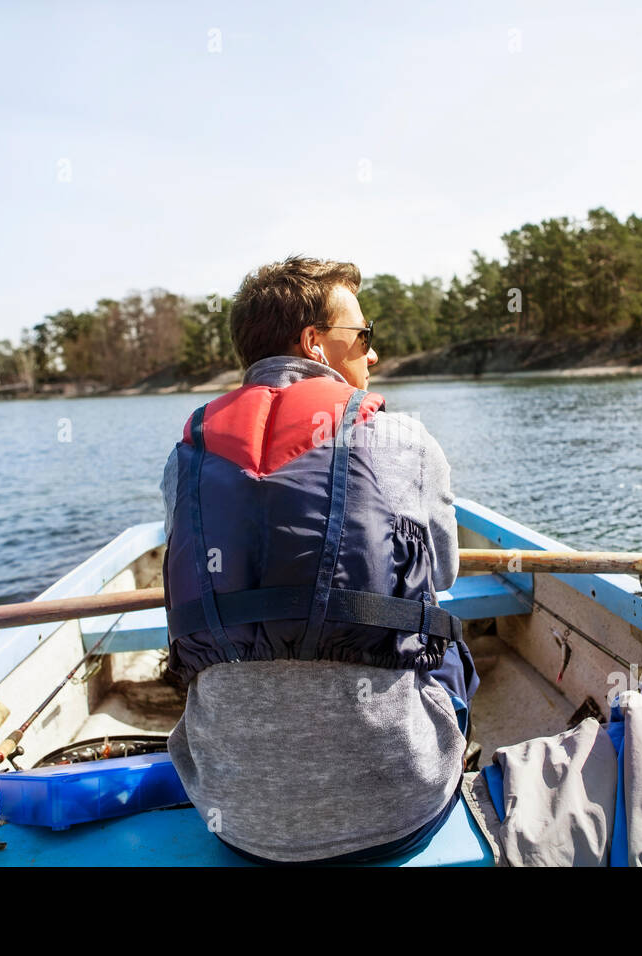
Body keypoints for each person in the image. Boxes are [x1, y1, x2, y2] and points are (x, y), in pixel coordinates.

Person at [159, 255, 478, 864]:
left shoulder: (187, 453)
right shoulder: (405, 440)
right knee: (446, 643)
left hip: (236, 822)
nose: (373, 355)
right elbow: (443, 571)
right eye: (363, 336)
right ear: (316, 344)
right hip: (399, 814)